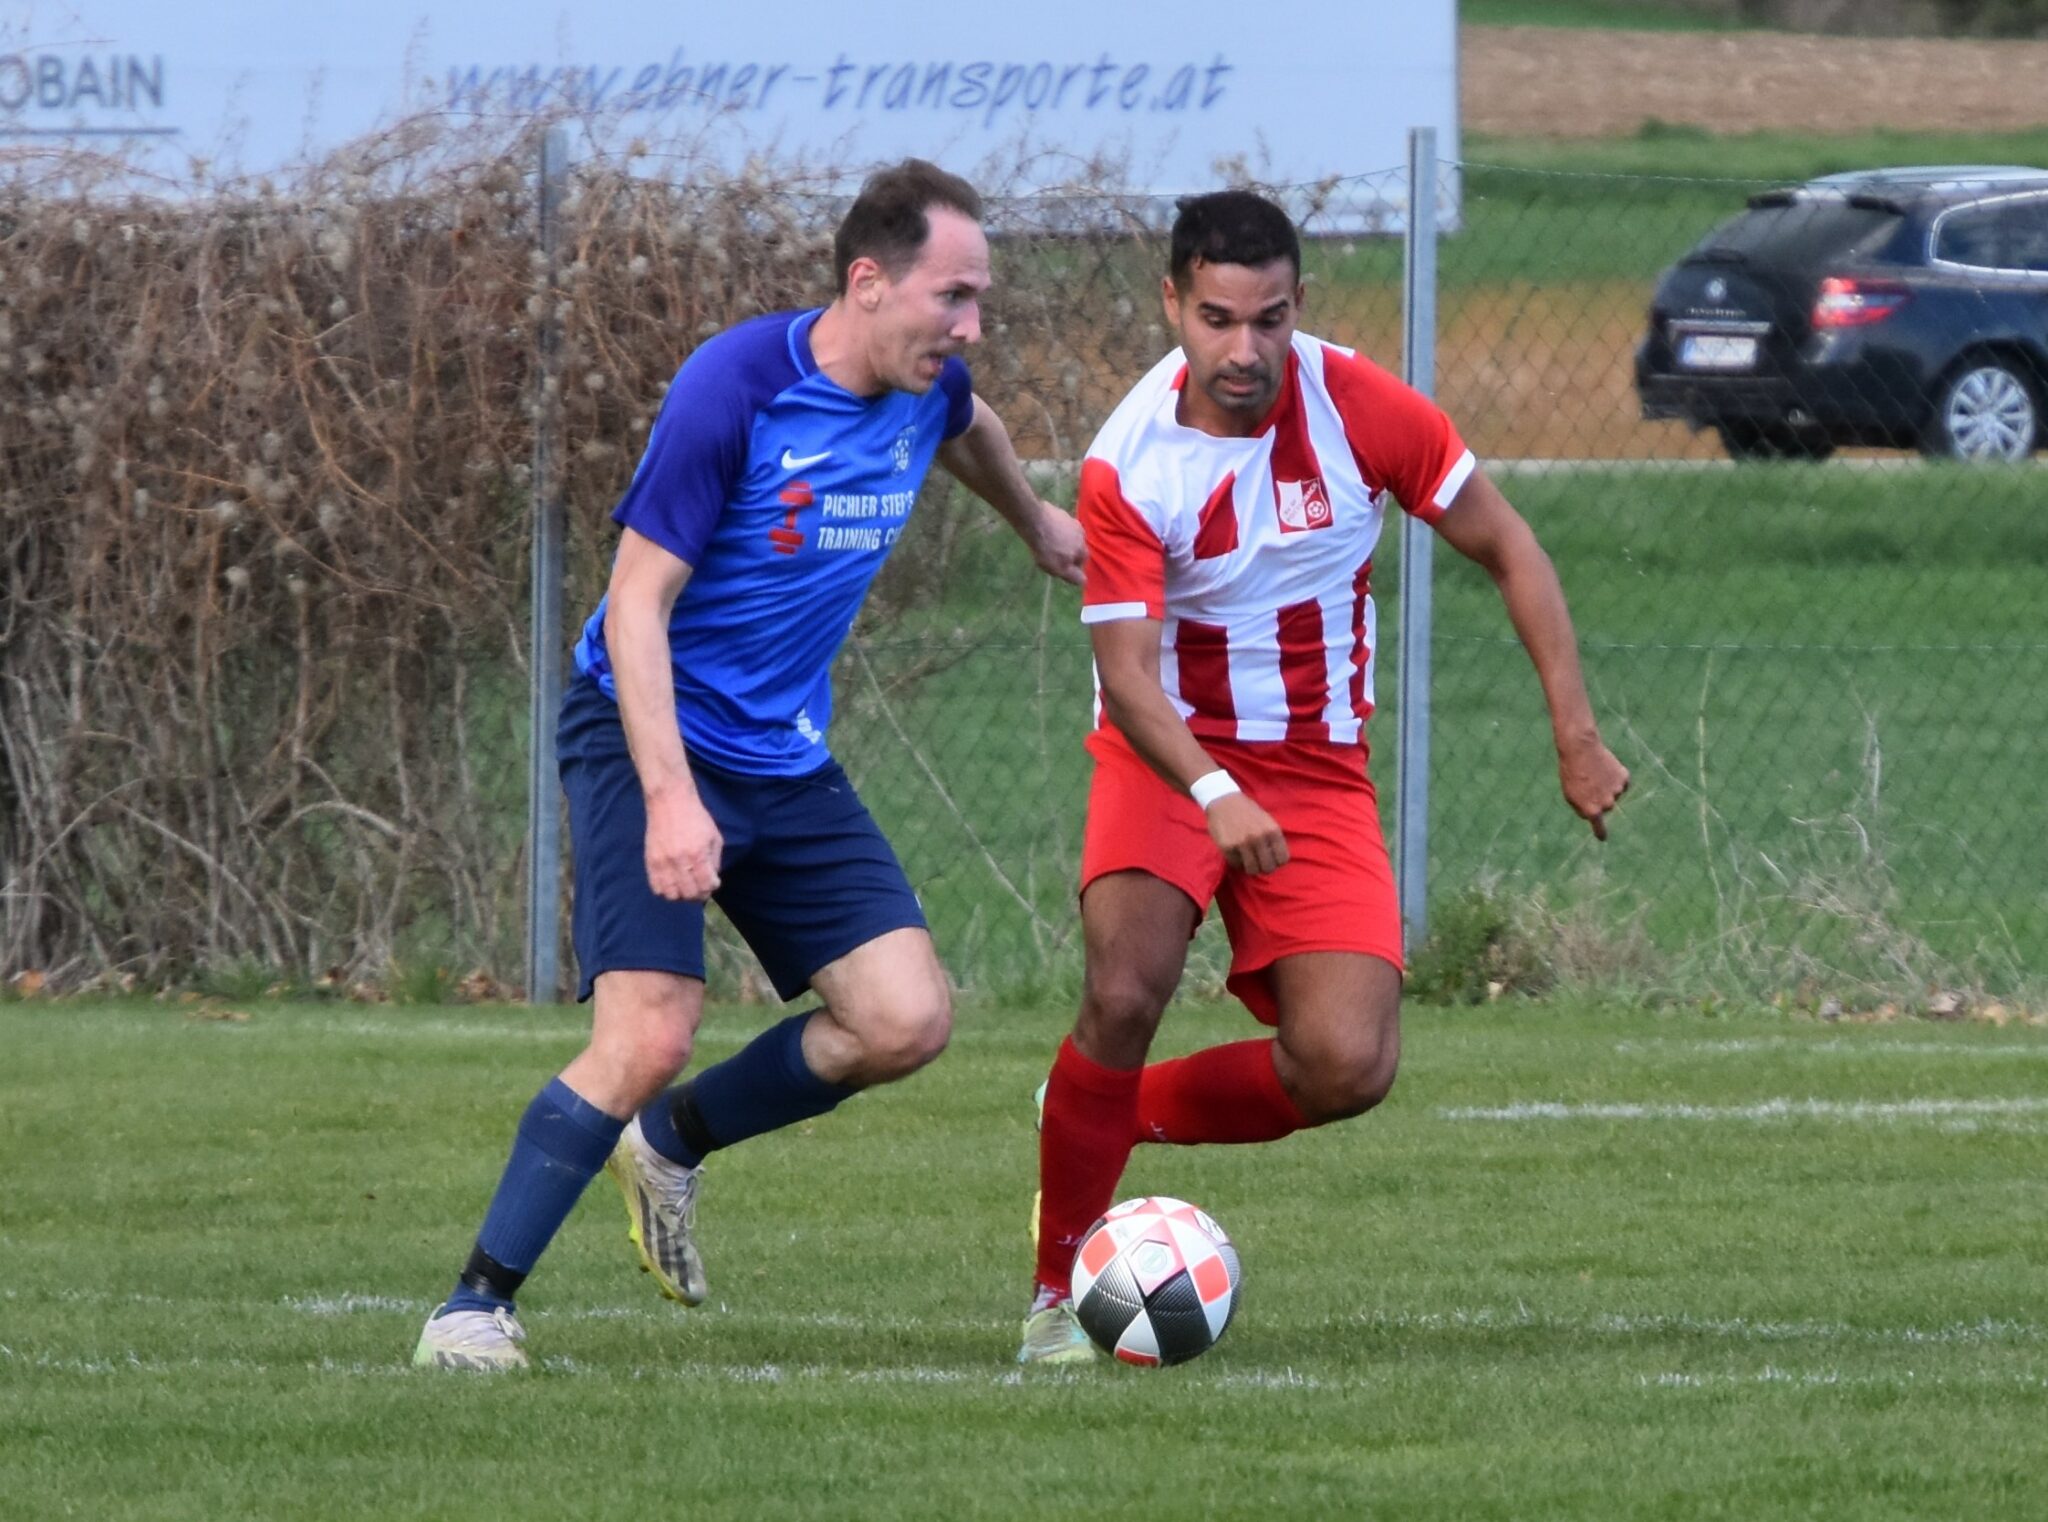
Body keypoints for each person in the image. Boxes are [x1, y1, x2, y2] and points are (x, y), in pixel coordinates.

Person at [414, 158, 1086, 1372]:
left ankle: (672, 1142)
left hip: (779, 755)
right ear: (867, 281)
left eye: (978, 299)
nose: (971, 324)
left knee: (904, 1018)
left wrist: (1034, 521)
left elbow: (968, 425)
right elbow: (633, 602)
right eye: (954, 295)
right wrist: (671, 797)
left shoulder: (926, 388)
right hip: (644, 729)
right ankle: (472, 1306)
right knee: (649, 1027)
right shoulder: (737, 385)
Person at [1017, 189, 1630, 1364]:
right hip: (1164, 751)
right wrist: (1209, 790)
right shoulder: (1127, 462)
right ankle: (1054, 1293)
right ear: (1171, 306)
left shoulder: (1358, 407)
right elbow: (1128, 680)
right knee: (1125, 987)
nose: (1243, 350)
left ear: (1298, 306)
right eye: (1215, 319)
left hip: (1311, 769)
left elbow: (1510, 545)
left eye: (1268, 319)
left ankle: (1100, 1112)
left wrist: (1574, 732)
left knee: (1348, 1062)